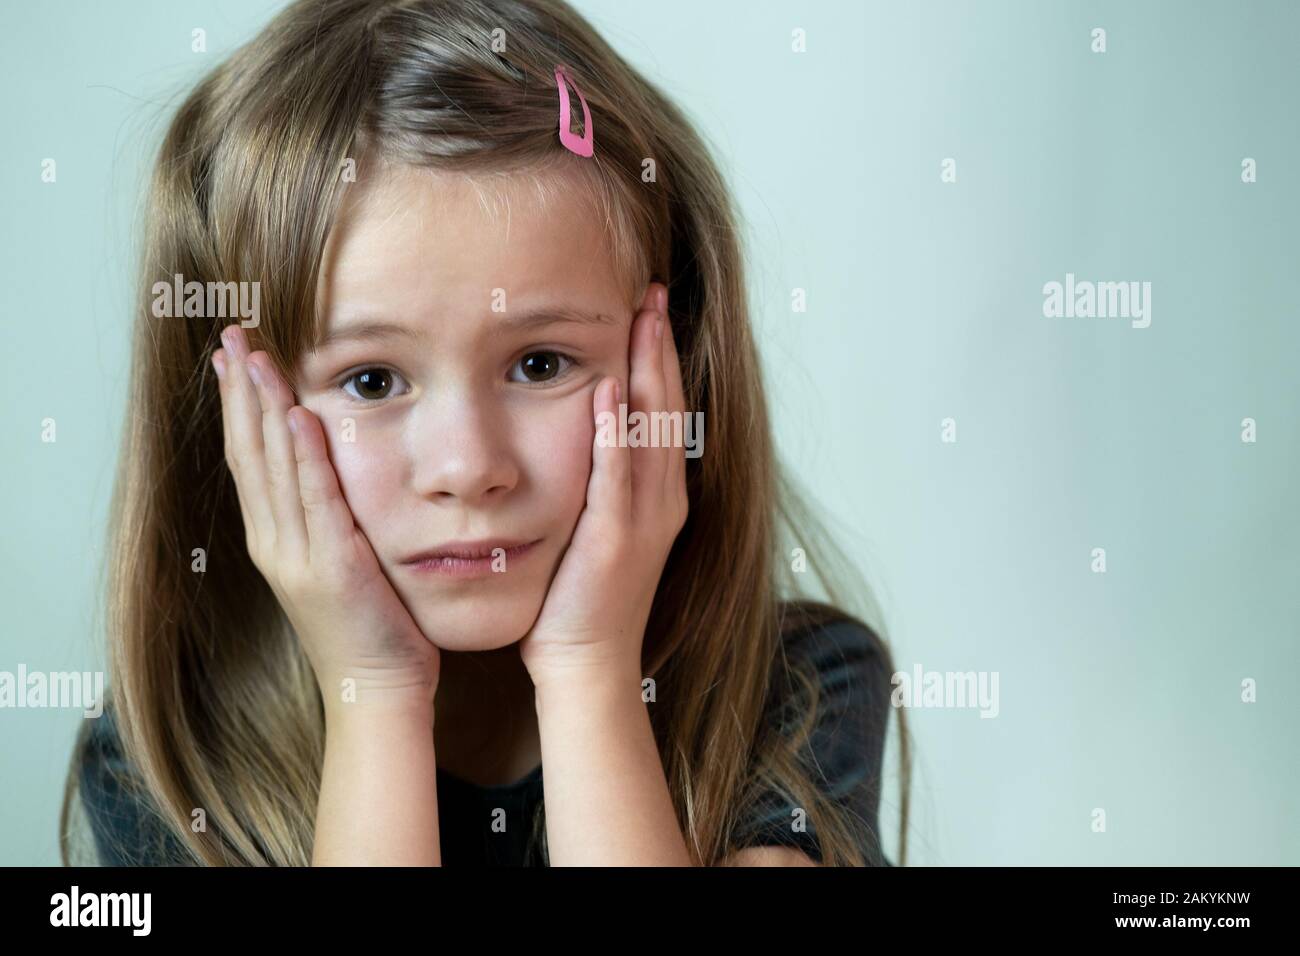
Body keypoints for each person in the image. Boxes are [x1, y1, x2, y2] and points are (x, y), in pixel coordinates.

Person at [59, 0, 911, 867]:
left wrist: (591, 672)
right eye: (372, 380)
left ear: (674, 370)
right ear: (243, 417)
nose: (469, 468)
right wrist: (377, 699)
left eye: (540, 364)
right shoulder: (168, 762)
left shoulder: (802, 694)